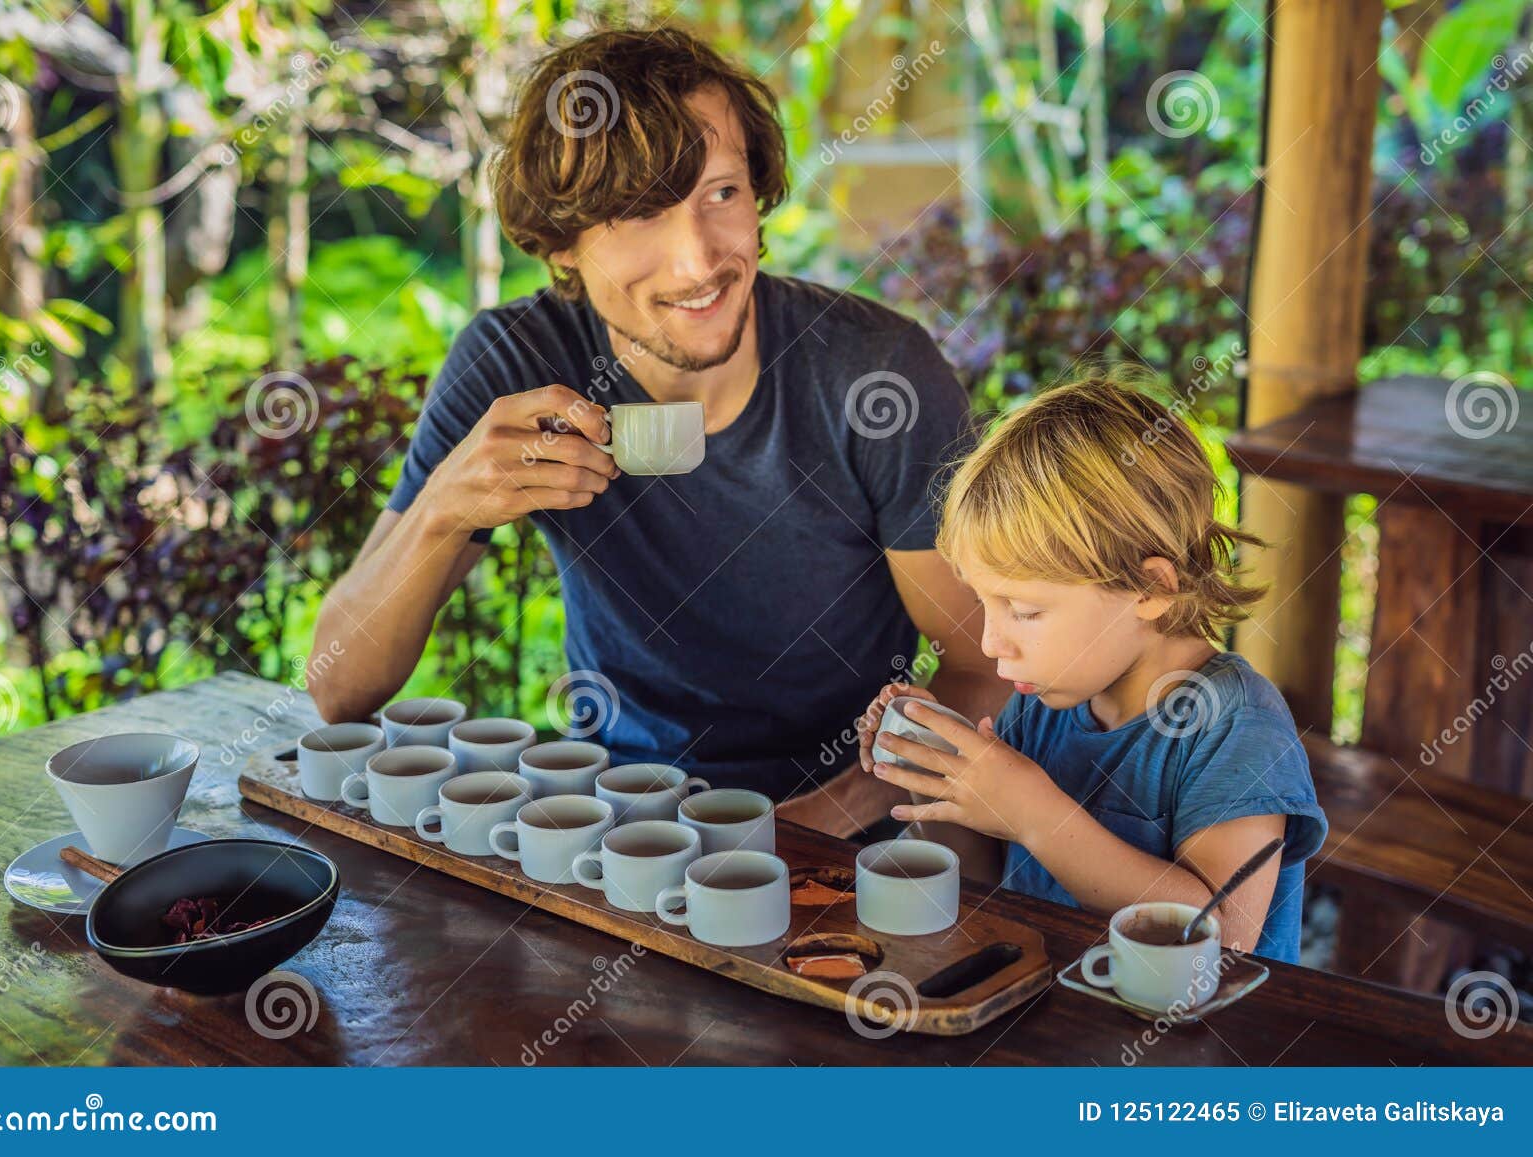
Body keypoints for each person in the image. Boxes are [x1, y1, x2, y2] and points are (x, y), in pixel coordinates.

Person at [308, 26, 1003, 868]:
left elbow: (985, 662)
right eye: (639, 212)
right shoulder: (516, 367)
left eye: (720, 193)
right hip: (622, 828)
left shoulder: (874, 377)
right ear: (561, 241)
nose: (698, 260)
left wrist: (813, 821)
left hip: (860, 824)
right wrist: (446, 507)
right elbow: (339, 686)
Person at [856, 370, 1327, 960]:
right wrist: (942, 784)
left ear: (1149, 589)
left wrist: (1033, 813)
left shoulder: (1236, 729)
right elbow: (983, 878)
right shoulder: (1043, 701)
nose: (990, 640)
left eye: (1024, 611)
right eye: (984, 602)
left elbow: (1220, 934)